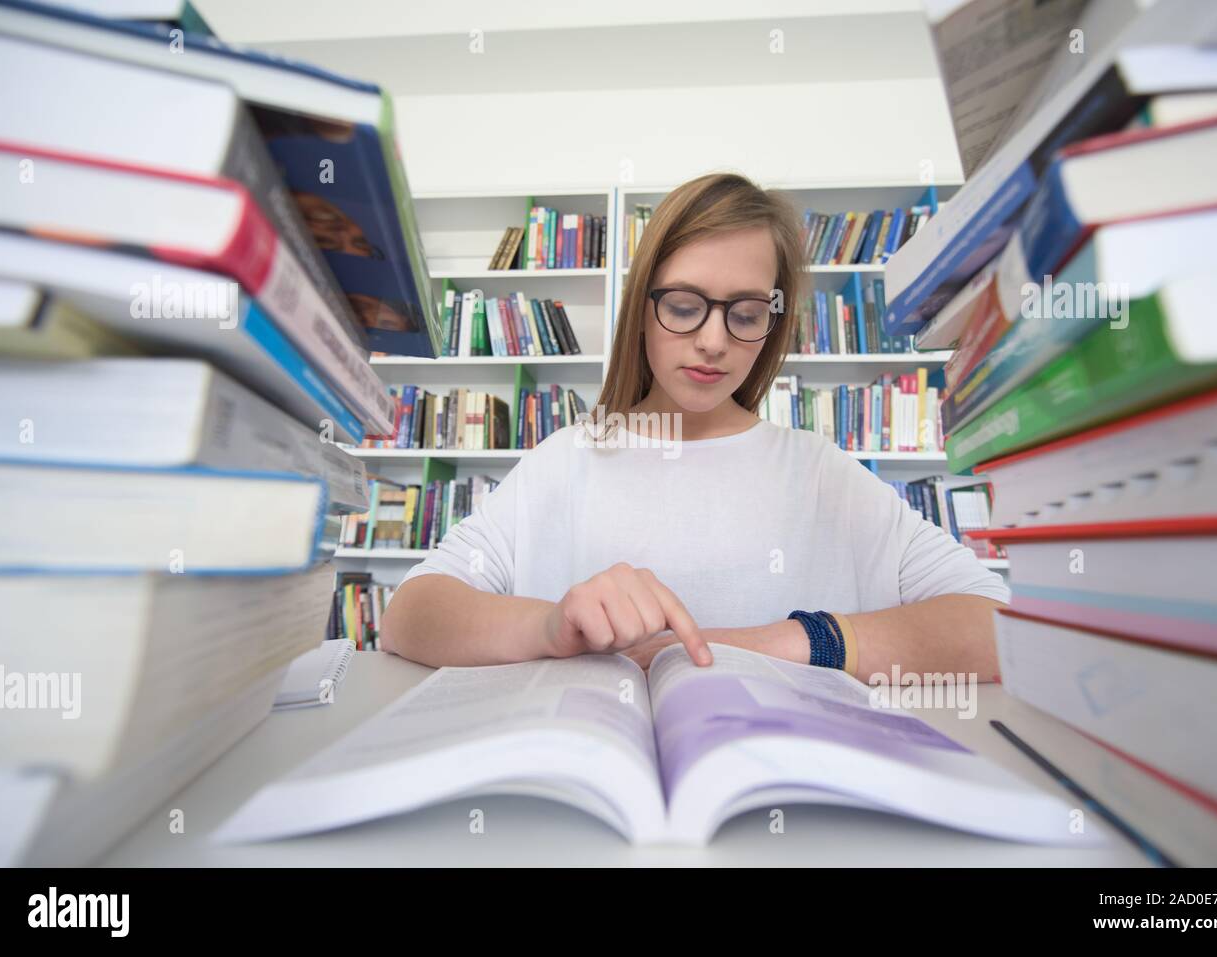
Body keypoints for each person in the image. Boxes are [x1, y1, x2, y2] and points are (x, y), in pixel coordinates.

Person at [381, 172, 1009, 680]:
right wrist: (550, 629)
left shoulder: (820, 472)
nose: (712, 341)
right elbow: (410, 614)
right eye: (684, 306)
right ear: (642, 308)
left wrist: (782, 642)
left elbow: (996, 624)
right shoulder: (568, 458)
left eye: (745, 312)